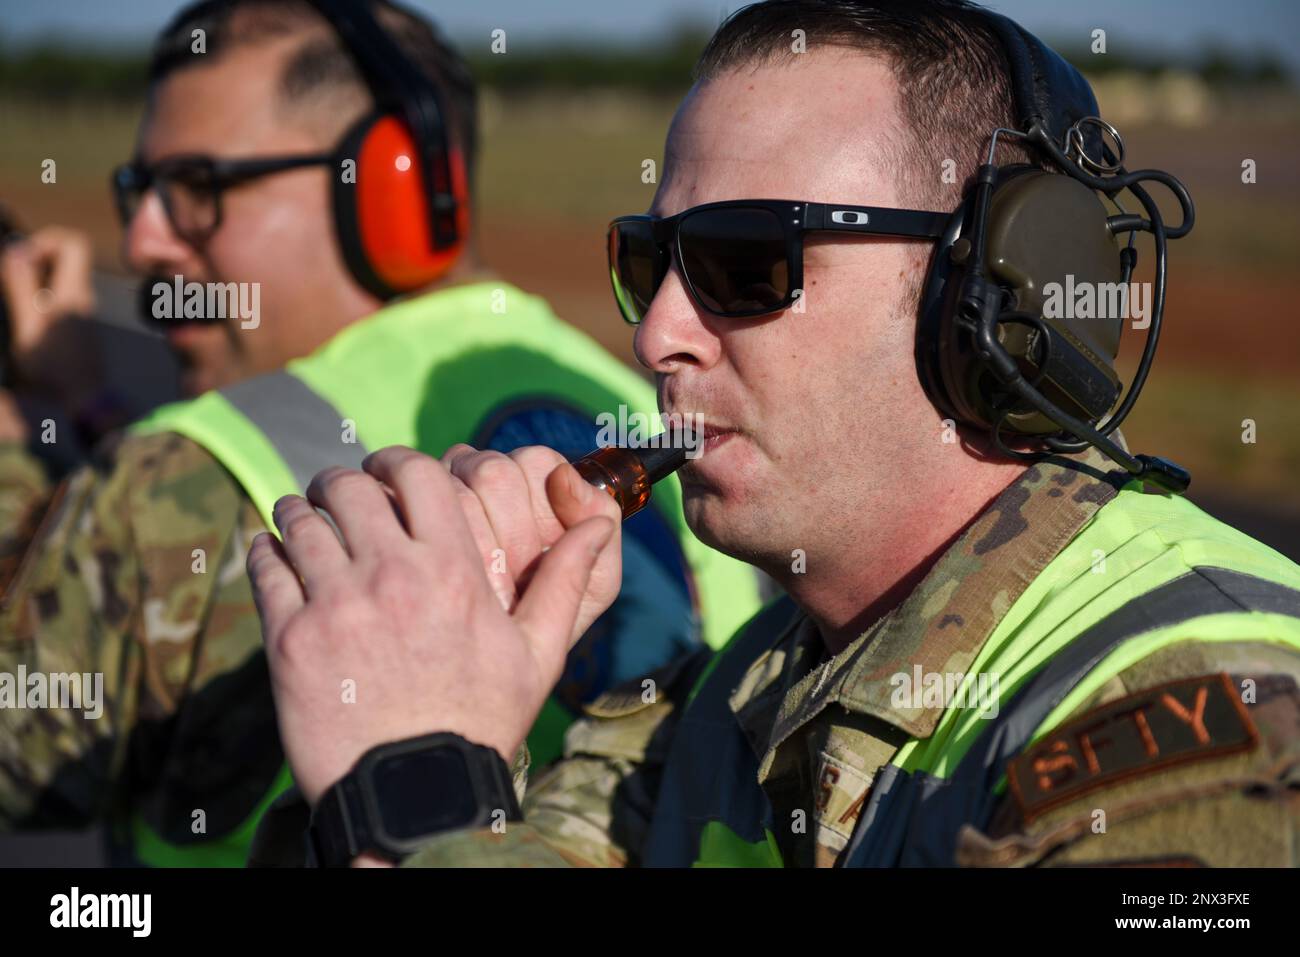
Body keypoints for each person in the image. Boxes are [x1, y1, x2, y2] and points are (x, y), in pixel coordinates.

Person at [248, 0, 1300, 867]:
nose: (657, 332)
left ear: (991, 296)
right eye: (648, 263)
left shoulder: (1203, 705)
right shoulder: (731, 696)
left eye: (746, 265)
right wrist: (428, 693)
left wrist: (414, 790)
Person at [0, 0, 759, 867]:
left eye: (197, 188)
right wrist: (83, 405)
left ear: (391, 186)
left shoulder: (178, 473)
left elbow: (23, 772)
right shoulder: (652, 407)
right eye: (140, 193)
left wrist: (20, 448)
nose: (143, 241)